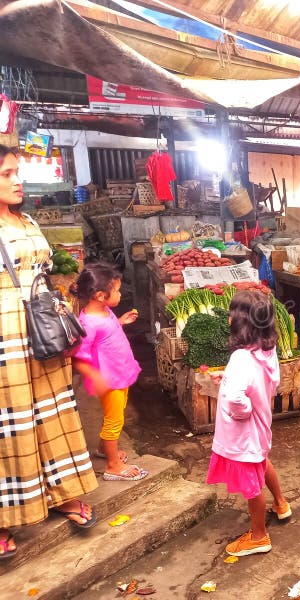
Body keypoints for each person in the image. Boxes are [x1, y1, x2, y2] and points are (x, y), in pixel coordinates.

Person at [1, 145, 97, 560]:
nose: (17, 180)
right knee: (12, 420)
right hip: (6, 332)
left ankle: (63, 492)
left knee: (53, 410)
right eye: (7, 174)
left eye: (16, 172)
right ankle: (5, 517)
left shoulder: (26, 219)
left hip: (43, 328)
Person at [206, 291, 292, 557]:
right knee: (261, 462)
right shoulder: (266, 350)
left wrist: (240, 411)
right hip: (260, 429)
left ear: (240, 321)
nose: (229, 317)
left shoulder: (241, 358)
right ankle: (280, 503)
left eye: (232, 313)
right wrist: (228, 376)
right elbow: (258, 382)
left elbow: (235, 399)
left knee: (251, 485)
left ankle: (258, 536)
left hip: (244, 431)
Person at [71, 262, 147, 482]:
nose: (121, 294)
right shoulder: (88, 323)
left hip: (119, 374)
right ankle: (113, 465)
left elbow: (107, 335)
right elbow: (78, 356)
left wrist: (120, 322)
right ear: (101, 295)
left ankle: (105, 449)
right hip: (110, 379)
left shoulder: (104, 312)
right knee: (114, 420)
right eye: (117, 291)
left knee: (118, 412)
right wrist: (95, 376)